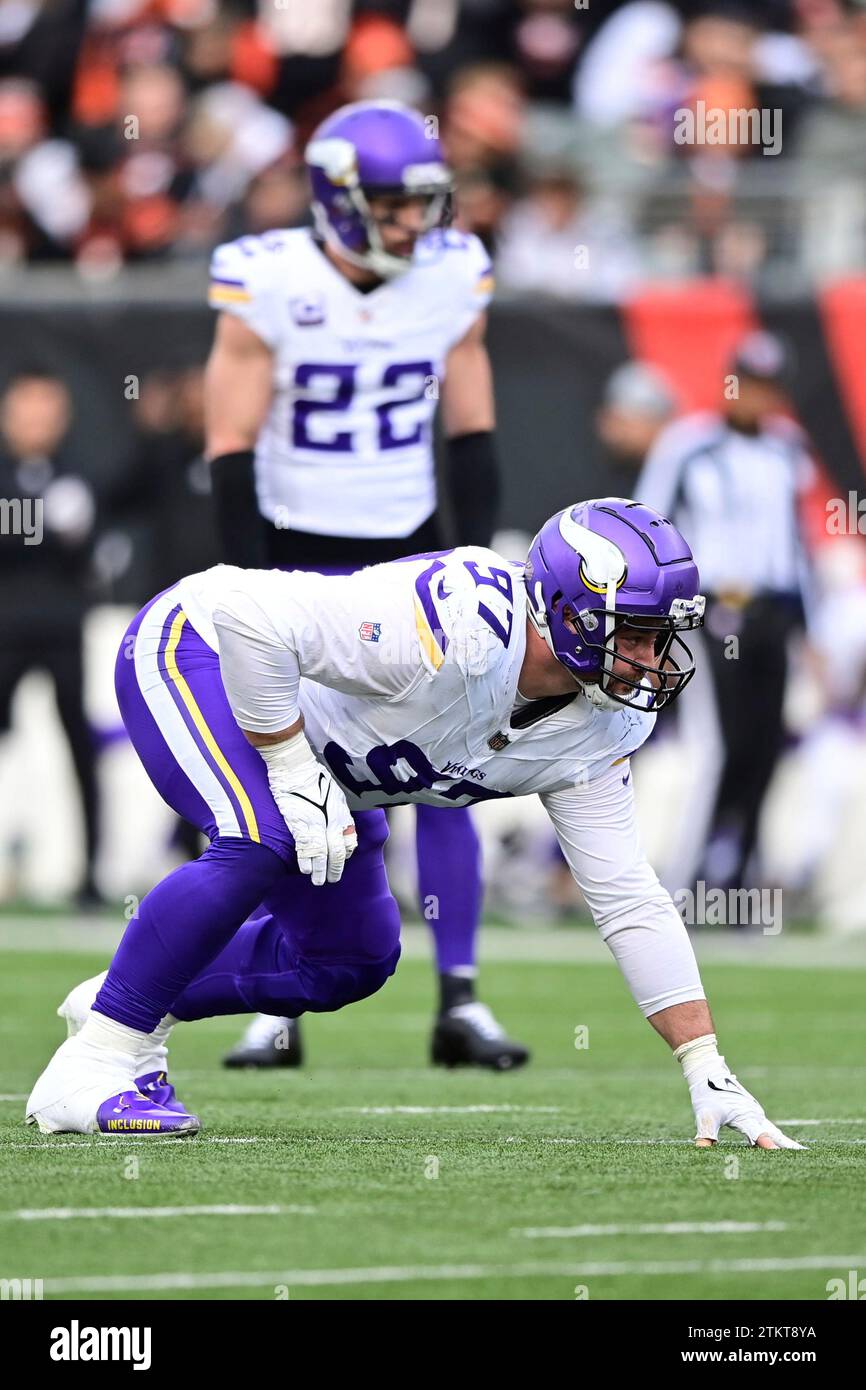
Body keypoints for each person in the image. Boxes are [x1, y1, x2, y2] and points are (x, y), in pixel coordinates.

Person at [27, 497, 802, 1150]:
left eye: (660, 636)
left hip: (310, 746)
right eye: (630, 632)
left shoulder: (601, 727)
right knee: (263, 834)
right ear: (564, 609)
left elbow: (629, 898)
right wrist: (294, 771)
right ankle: (94, 1063)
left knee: (349, 957)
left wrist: (705, 1064)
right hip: (198, 650)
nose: (648, 658)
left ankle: (126, 996)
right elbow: (244, 618)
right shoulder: (459, 624)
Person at [205, 98, 527, 1072]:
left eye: (416, 204)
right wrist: (245, 583)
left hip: (414, 549)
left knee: (448, 775)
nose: (407, 225)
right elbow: (229, 443)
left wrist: (477, 557)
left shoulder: (452, 272)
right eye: (388, 205)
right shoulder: (265, 276)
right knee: (291, 780)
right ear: (337, 200)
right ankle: (277, 1001)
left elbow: (470, 426)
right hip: (296, 545)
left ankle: (459, 1001)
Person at [636, 331, 814, 893]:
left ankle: (737, 880)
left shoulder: (789, 447)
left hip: (774, 612)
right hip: (713, 613)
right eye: (750, 385)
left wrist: (811, 626)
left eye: (769, 387)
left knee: (763, 749)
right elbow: (648, 525)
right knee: (716, 748)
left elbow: (796, 540)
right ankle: (683, 884)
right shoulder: (689, 445)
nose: (758, 398)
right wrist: (657, 616)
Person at [0, 369, 102, 905]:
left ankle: (89, 872)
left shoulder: (79, 474)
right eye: (27, 408)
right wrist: (42, 522)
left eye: (47, 410)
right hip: (6, 626)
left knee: (77, 744)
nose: (37, 422)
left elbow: (93, 548)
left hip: (62, 626)